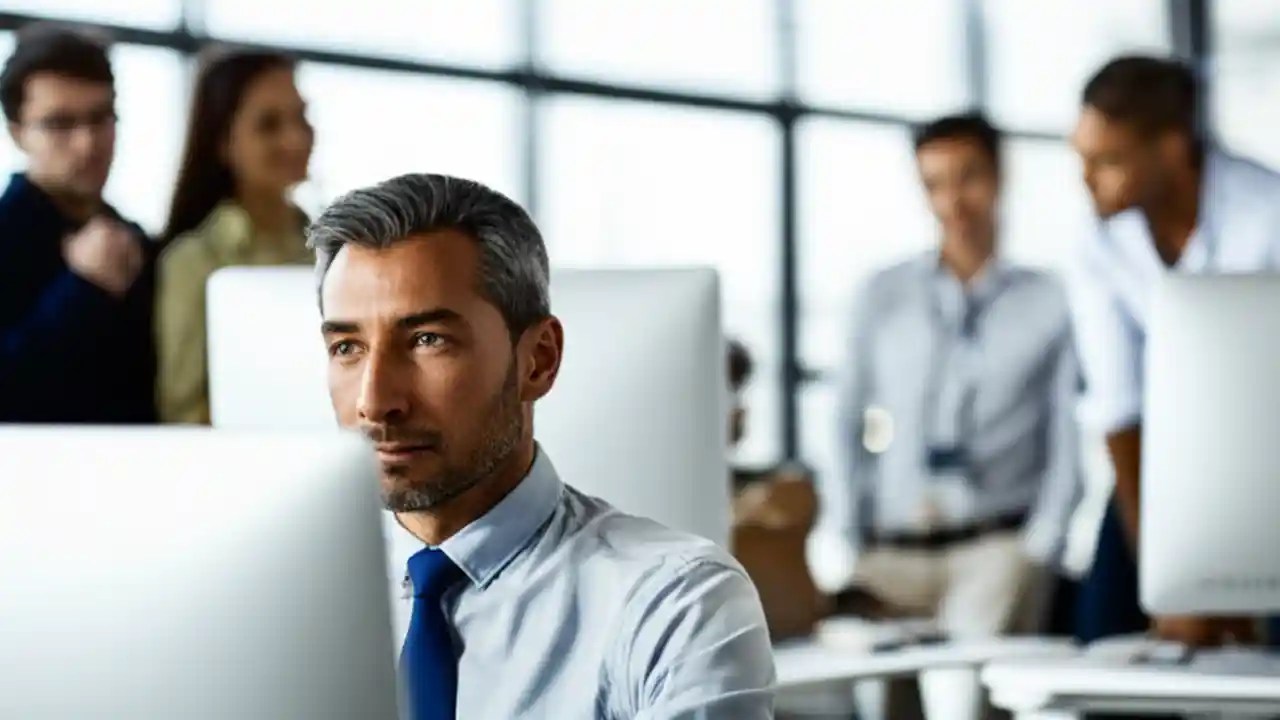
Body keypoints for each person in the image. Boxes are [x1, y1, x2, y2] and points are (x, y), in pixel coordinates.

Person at [308, 173, 774, 718]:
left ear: (539, 360)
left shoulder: (676, 601)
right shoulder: (288, 601)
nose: (375, 400)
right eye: (347, 347)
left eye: (427, 340)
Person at [829, 113, 1082, 639]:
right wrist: (852, 534)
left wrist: (1042, 545)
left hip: (997, 549)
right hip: (892, 551)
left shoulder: (1050, 299)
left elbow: (1069, 434)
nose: (953, 202)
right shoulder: (881, 294)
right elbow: (846, 419)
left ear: (1000, 177)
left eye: (969, 177)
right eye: (933, 184)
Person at [1069, 56, 1280, 647]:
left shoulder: (1268, 213)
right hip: (1163, 459)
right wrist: (1170, 582)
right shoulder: (1099, 244)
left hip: (1270, 451)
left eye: (1108, 161)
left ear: (1171, 148)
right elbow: (1118, 411)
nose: (1087, 180)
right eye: (1081, 158)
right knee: (1104, 629)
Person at [0, 24, 157, 423]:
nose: (88, 144)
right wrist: (83, 290)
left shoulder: (136, 240)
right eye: (60, 124)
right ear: (18, 133)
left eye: (100, 118)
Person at [155, 49, 313, 424]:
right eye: (269, 124)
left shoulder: (331, 250)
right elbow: (183, 412)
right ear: (223, 142)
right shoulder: (194, 260)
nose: (296, 138)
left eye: (301, 117)